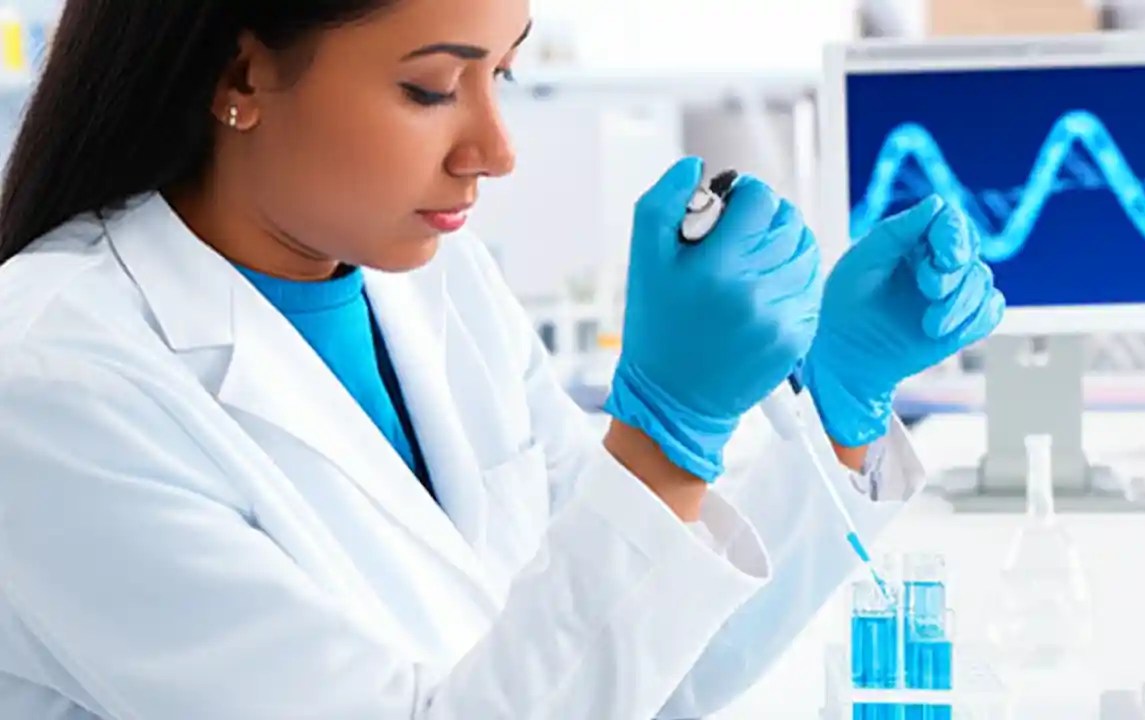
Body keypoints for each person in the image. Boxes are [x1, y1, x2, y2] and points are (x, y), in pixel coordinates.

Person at [0, 2, 1004, 719]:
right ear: (242, 76)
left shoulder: (434, 283)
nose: (494, 145)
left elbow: (643, 667)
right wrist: (662, 446)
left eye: (502, 74)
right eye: (431, 87)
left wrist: (841, 399)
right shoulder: (50, 380)